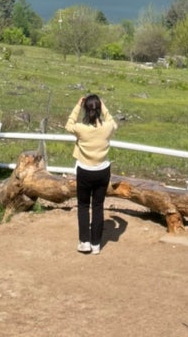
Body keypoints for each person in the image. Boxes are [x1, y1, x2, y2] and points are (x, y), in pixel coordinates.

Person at [66, 93, 118, 255]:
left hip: (85, 171)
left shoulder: (81, 129)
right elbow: (113, 122)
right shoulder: (107, 127)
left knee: (83, 206)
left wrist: (77, 105)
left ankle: (84, 242)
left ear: (86, 109)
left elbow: (69, 124)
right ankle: (96, 243)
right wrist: (103, 107)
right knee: (98, 206)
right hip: (102, 171)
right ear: (99, 109)